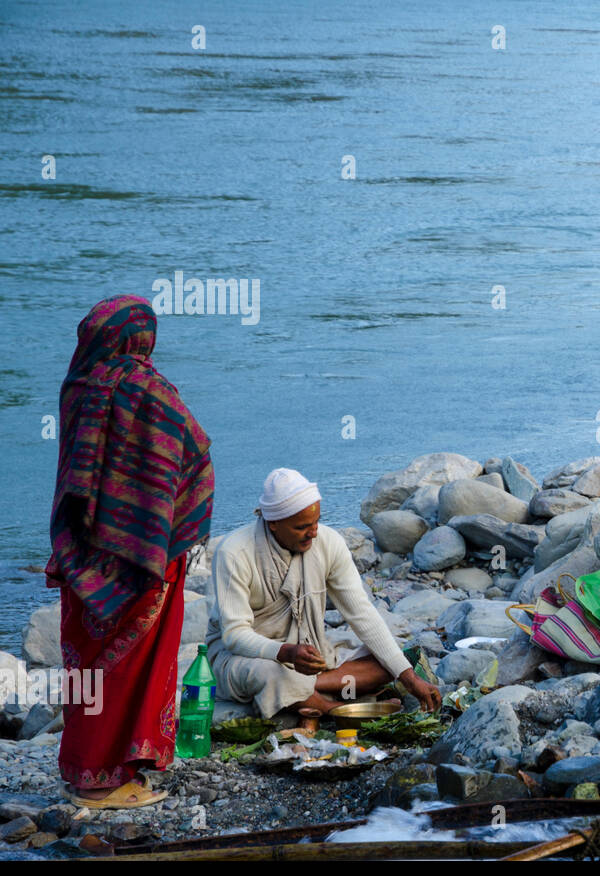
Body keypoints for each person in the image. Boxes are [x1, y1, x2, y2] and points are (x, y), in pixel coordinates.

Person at [47, 295, 215, 809]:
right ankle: (107, 782)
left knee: (90, 659)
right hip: (144, 551)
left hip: (85, 555)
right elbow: (194, 445)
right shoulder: (150, 390)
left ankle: (84, 771)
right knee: (134, 661)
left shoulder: (77, 386)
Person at [206, 468, 440, 717]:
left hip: (307, 656)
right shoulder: (234, 553)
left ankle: (307, 689)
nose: (314, 532)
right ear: (272, 523)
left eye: (316, 522)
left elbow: (362, 613)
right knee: (274, 675)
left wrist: (408, 678)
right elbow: (234, 635)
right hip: (244, 659)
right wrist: (284, 652)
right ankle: (335, 709)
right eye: (302, 527)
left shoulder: (329, 543)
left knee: (392, 659)